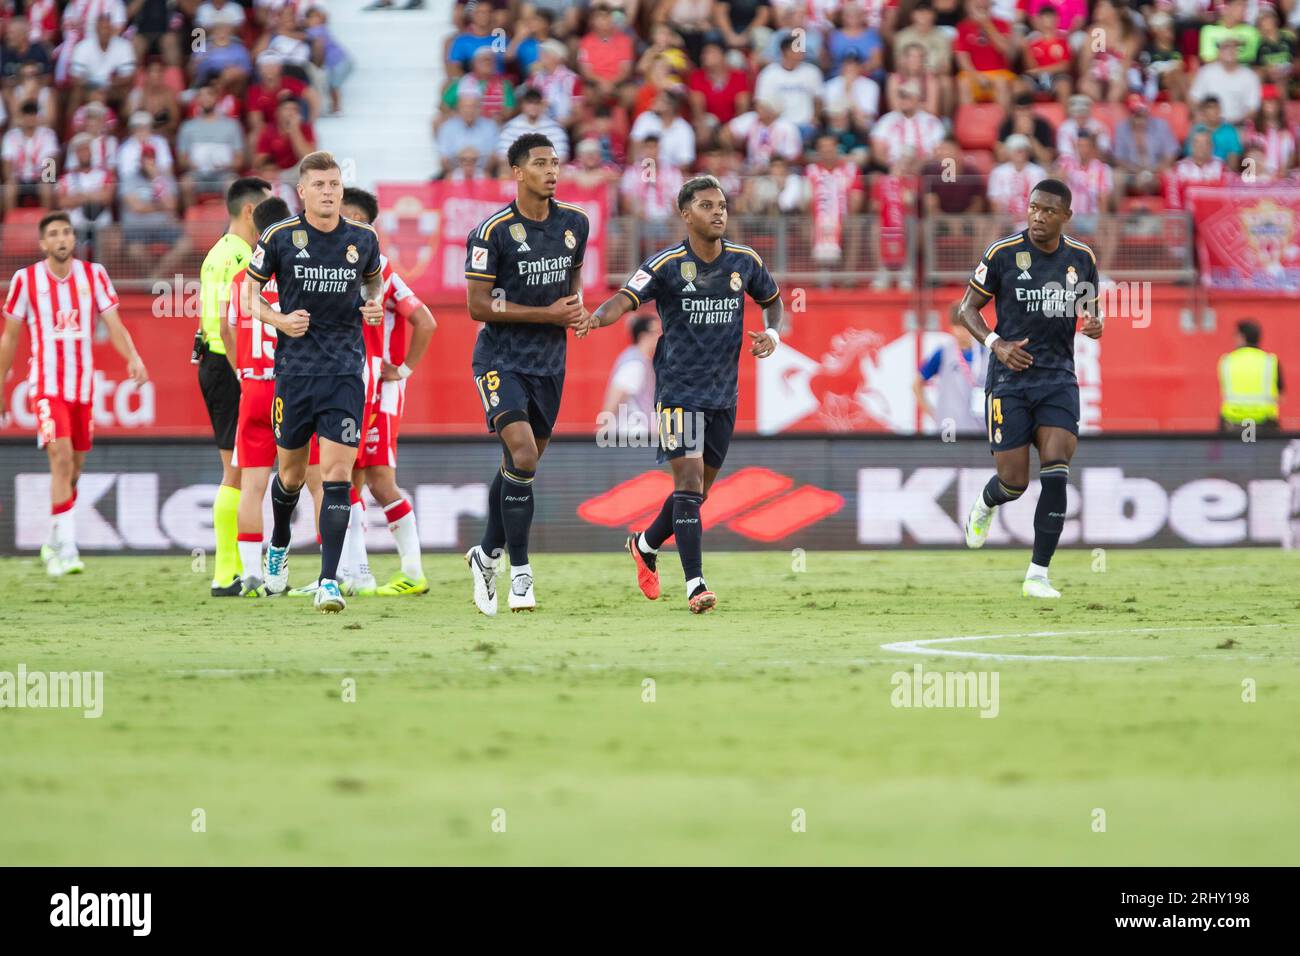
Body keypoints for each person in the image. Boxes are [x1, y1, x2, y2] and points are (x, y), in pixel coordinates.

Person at [586, 175, 786, 614]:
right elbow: (625, 297)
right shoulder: (666, 264)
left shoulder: (744, 261)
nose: (719, 212)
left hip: (724, 396)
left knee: (695, 494)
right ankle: (695, 584)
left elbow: (773, 299)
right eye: (707, 205)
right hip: (678, 392)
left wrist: (772, 331)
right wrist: (596, 318)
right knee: (690, 484)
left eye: (723, 205)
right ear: (685, 213)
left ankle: (644, 543)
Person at [242, 151, 385, 612]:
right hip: (295, 374)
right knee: (290, 475)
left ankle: (328, 581)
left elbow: (373, 284)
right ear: (301, 192)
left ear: (342, 190)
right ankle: (280, 543)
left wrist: (373, 306)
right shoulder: (279, 237)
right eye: (319, 185)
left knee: (339, 476)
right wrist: (280, 320)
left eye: (334, 184)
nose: (328, 192)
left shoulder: (363, 238)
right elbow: (249, 297)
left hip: (345, 373)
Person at [462, 133, 591, 615]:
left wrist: (575, 309)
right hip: (500, 357)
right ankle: (520, 573)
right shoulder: (491, 231)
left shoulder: (575, 222)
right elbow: (478, 305)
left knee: (521, 464)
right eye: (540, 163)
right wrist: (549, 315)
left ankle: (485, 554)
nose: (552, 171)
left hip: (549, 364)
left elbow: (572, 276)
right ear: (517, 172)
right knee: (522, 454)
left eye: (556, 163)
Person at [957, 179, 1103, 598]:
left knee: (1056, 468)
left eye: (1048, 211)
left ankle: (1037, 574)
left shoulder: (1082, 258)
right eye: (1033, 208)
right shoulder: (1002, 254)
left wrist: (1095, 324)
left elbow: (1091, 310)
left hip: (1058, 378)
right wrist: (995, 344)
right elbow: (966, 309)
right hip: (1009, 381)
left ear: (1065, 217)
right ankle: (986, 503)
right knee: (1014, 483)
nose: (1038, 216)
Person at [0, 212, 148, 576]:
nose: (62, 238)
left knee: (76, 466)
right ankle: (66, 547)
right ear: (43, 243)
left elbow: (113, 324)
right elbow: (11, 337)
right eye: (54, 234)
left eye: (67, 232)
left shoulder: (94, 275)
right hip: (47, 386)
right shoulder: (26, 280)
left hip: (83, 388)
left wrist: (133, 358)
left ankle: (52, 539)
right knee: (60, 456)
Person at [334, 187, 437, 597]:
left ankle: (408, 570)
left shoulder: (382, 271)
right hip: (351, 382)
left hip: (376, 388)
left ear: (370, 226)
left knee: (373, 480)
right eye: (344, 217)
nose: (347, 225)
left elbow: (426, 322)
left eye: (356, 219)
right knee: (352, 480)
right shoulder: (334, 266)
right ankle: (353, 573)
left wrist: (403, 370)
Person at [197, 177, 273, 596]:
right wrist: (244, 373)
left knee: (240, 470)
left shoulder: (220, 253)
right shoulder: (239, 256)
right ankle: (228, 574)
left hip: (217, 362)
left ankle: (233, 570)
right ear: (249, 212)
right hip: (228, 365)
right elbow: (230, 327)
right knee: (237, 470)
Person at [219, 196, 289, 596]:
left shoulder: (240, 280)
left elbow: (227, 330)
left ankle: (251, 575)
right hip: (292, 386)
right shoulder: (300, 272)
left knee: (252, 486)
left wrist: (241, 370)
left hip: (254, 387)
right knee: (317, 481)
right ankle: (336, 571)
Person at [914, 306, 988, 435]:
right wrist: (934, 414)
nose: (963, 331)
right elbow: (916, 385)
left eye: (967, 326)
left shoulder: (987, 353)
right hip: (950, 428)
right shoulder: (943, 353)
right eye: (959, 326)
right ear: (951, 328)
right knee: (949, 455)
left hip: (981, 427)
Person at [600, 314, 661, 440]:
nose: (660, 336)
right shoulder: (635, 363)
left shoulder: (640, 360)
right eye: (655, 332)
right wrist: (604, 426)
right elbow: (617, 394)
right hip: (632, 434)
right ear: (643, 336)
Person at [1218, 320, 1282, 433]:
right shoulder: (1270, 361)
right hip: (1265, 426)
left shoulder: (1226, 361)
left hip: (1232, 426)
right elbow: (1281, 395)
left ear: (1242, 337)